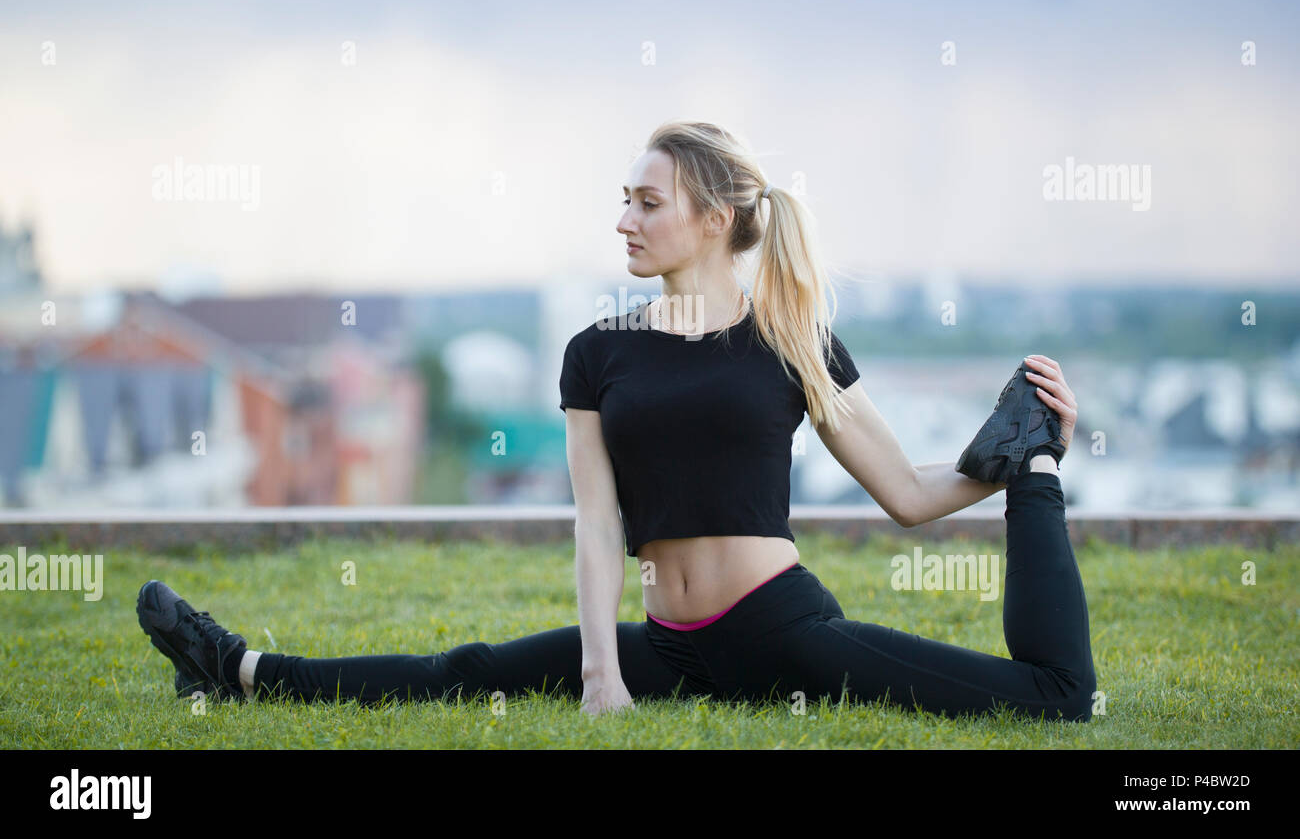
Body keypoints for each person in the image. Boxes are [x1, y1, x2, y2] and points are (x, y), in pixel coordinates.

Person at [138, 120, 1096, 723]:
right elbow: (598, 524)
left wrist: (1014, 456)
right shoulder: (597, 353)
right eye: (623, 203)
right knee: (471, 669)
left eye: (648, 203)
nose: (626, 221)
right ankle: (234, 667)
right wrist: (603, 671)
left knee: (1047, 700)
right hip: (667, 642)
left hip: (782, 629)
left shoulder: (793, 338)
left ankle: (1041, 475)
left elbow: (912, 494)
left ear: (715, 217)